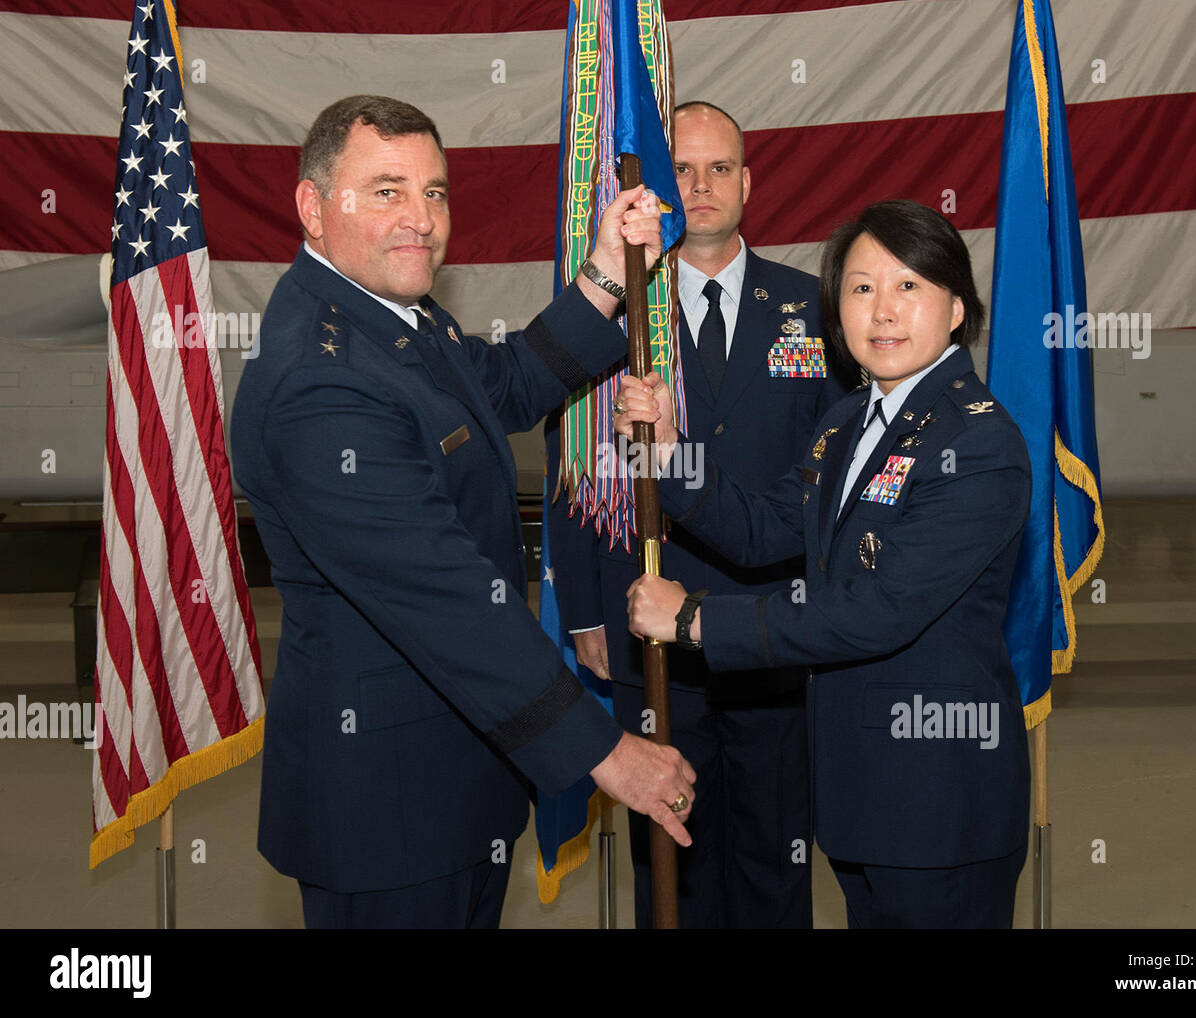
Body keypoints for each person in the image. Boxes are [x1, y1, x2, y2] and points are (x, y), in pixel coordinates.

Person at [229, 95, 695, 929]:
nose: (421, 220)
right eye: (386, 191)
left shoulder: (392, 321)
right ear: (312, 206)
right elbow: (442, 597)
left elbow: (504, 383)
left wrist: (599, 273)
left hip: (453, 778)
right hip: (386, 809)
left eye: (435, 193)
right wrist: (604, 749)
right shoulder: (321, 379)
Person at [615, 199, 1032, 928]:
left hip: (937, 802)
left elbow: (876, 610)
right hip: (859, 791)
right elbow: (764, 528)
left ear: (957, 309)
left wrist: (693, 620)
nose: (884, 311)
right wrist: (672, 449)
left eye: (909, 287)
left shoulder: (979, 445)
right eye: (861, 289)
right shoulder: (849, 421)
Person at [544, 102, 849, 928]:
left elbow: (835, 474)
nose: (702, 185)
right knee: (669, 850)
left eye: (720, 169)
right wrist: (580, 612)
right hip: (649, 619)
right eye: (682, 169)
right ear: (659, 187)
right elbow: (573, 460)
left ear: (748, 183)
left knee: (775, 842)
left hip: (771, 624)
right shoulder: (616, 310)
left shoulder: (814, 309)